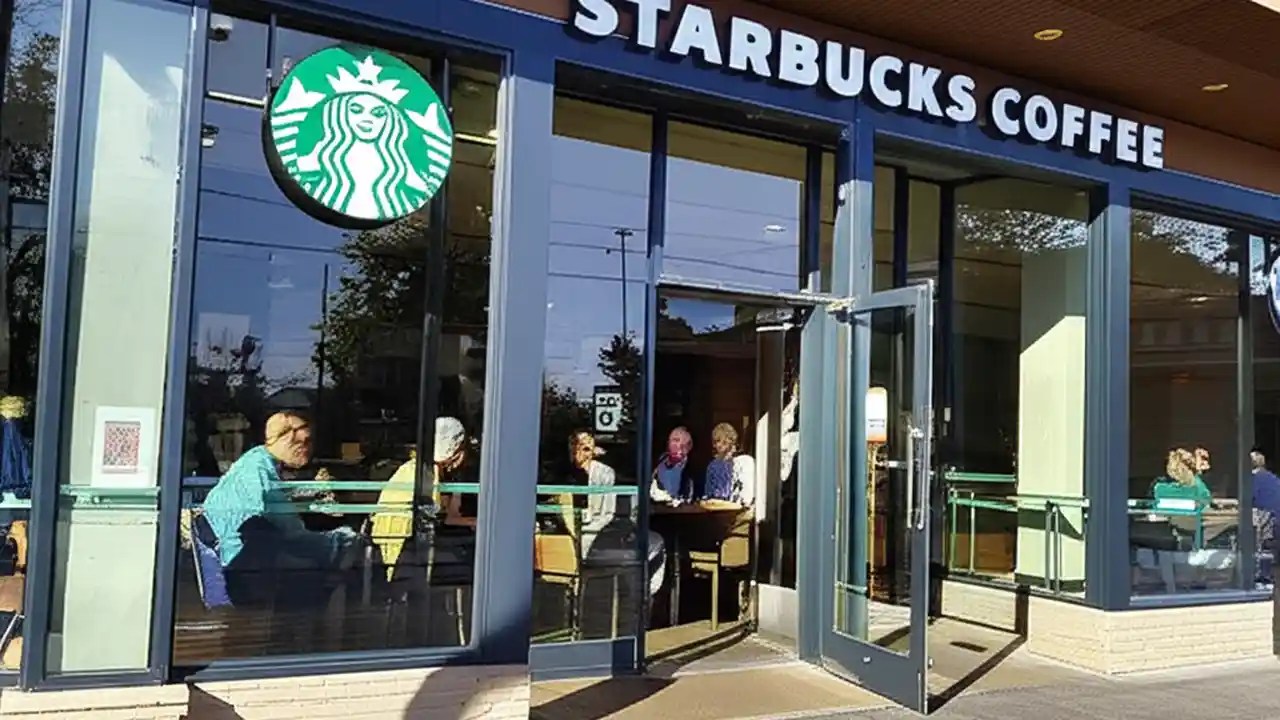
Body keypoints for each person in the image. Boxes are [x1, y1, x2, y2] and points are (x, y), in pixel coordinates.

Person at [201, 411, 360, 607]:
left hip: (244, 558)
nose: (308, 449)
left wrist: (310, 491)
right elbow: (289, 529)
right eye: (304, 442)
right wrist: (340, 540)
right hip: (244, 567)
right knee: (337, 558)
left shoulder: (257, 462)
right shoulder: (257, 470)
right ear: (285, 438)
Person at [565, 430, 665, 597]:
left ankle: (643, 596)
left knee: (656, 543)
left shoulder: (603, 473)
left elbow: (605, 511)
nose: (580, 452)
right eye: (577, 446)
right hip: (586, 536)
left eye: (587, 448)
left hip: (598, 532)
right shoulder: (563, 475)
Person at [704, 423, 756, 507]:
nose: (719, 445)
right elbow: (708, 490)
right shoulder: (712, 466)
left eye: (723, 442)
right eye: (717, 441)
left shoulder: (743, 463)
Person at [1250, 448, 1280, 584]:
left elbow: (1247, 502)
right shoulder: (1274, 479)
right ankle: (1266, 572)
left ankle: (1254, 572)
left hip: (1263, 519)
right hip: (1275, 520)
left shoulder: (1251, 480)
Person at [651, 427, 696, 502]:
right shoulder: (658, 463)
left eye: (683, 444)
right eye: (675, 440)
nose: (678, 445)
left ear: (688, 448)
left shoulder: (692, 470)